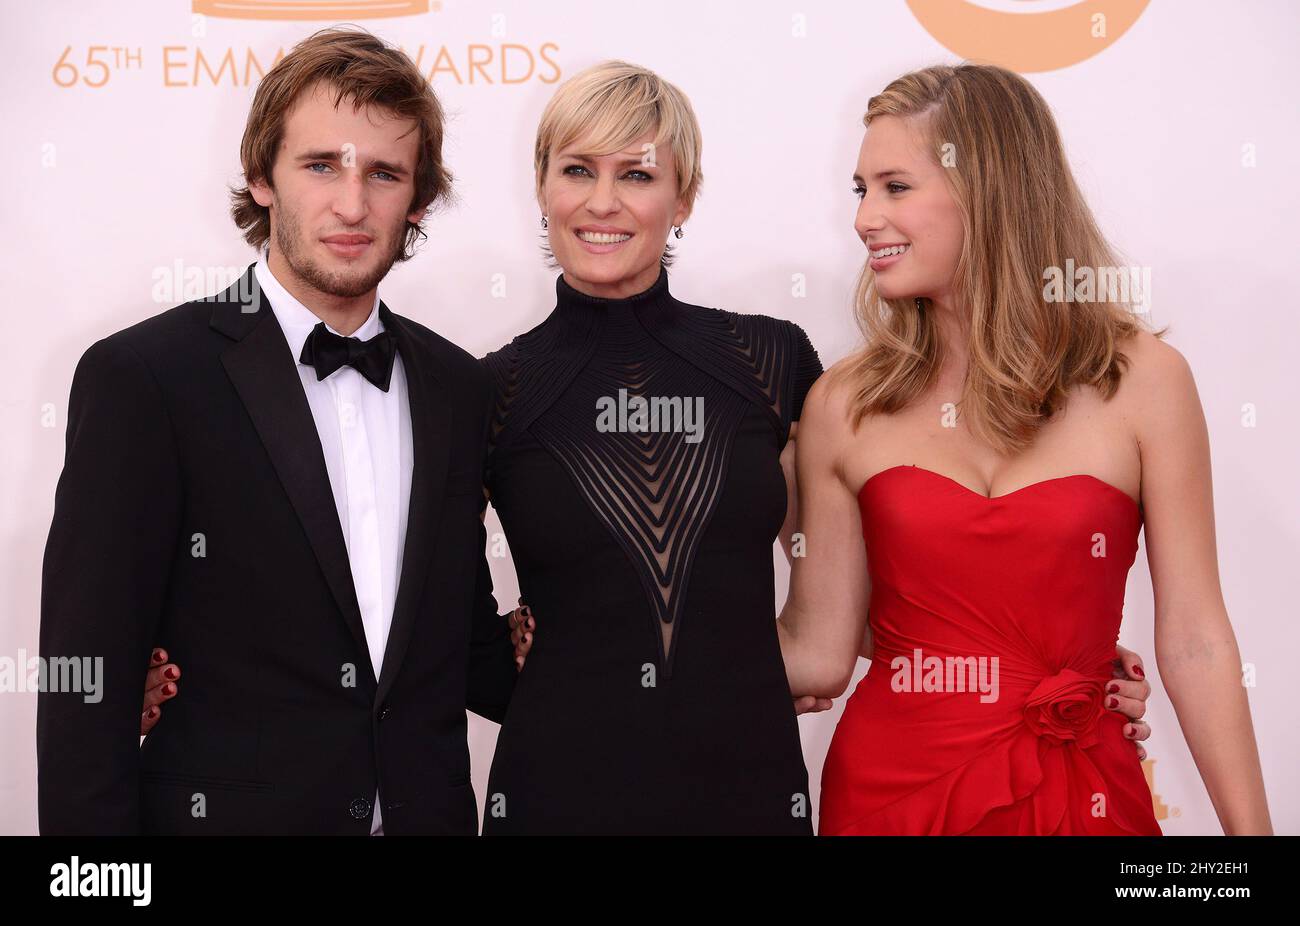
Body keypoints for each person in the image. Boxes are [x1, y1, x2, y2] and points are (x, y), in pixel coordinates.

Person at [38, 28, 518, 835]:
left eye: (385, 173)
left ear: (420, 199)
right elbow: (84, 683)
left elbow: (461, 654)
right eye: (321, 164)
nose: (353, 204)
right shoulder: (147, 378)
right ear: (262, 177)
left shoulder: (459, 387)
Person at [777, 64, 1271, 835]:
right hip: (891, 792)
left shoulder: (1145, 380)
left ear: (989, 187)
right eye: (860, 190)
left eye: (894, 187)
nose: (865, 218)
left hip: (1086, 784)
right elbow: (817, 652)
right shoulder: (846, 402)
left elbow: (1197, 639)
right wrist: (609, 644)